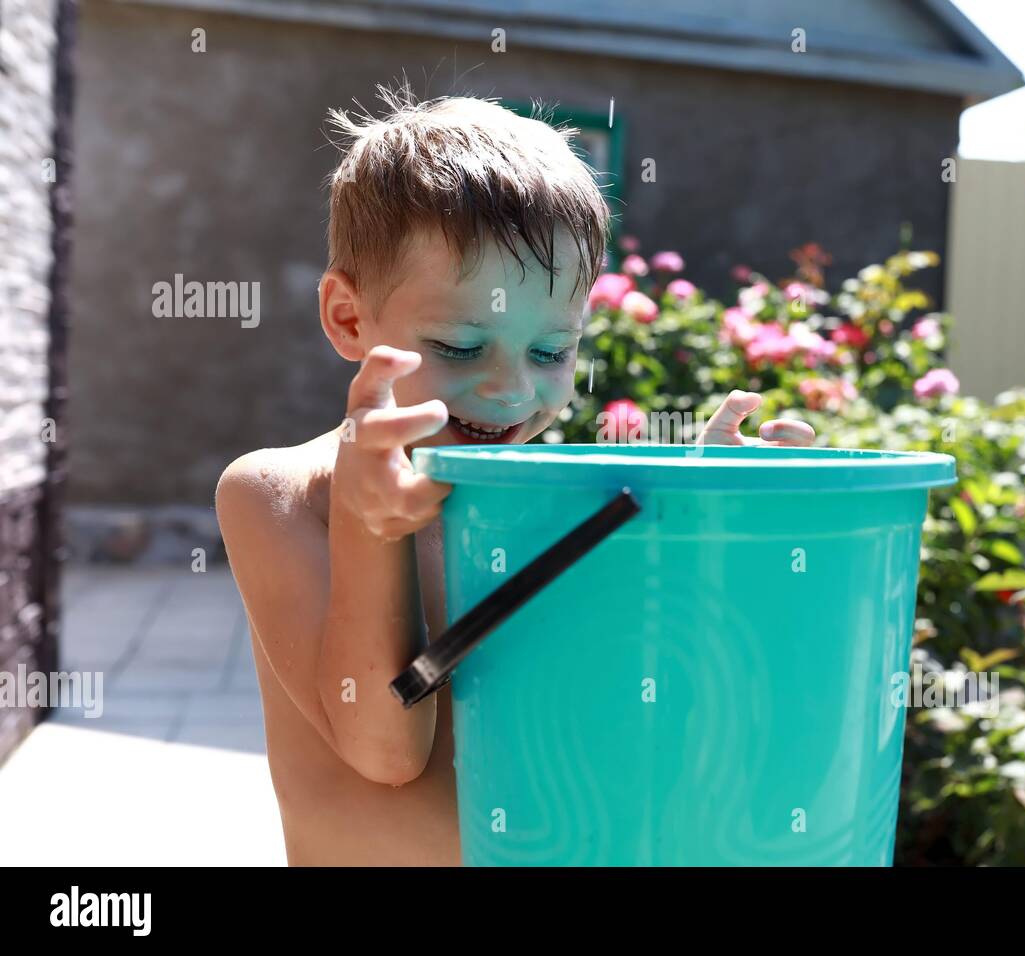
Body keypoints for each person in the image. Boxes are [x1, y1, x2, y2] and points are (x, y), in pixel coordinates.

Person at [215, 84, 815, 866]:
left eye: (550, 352)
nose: (511, 391)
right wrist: (373, 524)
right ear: (349, 319)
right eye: (463, 347)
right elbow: (387, 752)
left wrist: (711, 516)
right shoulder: (281, 496)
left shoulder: (550, 503)